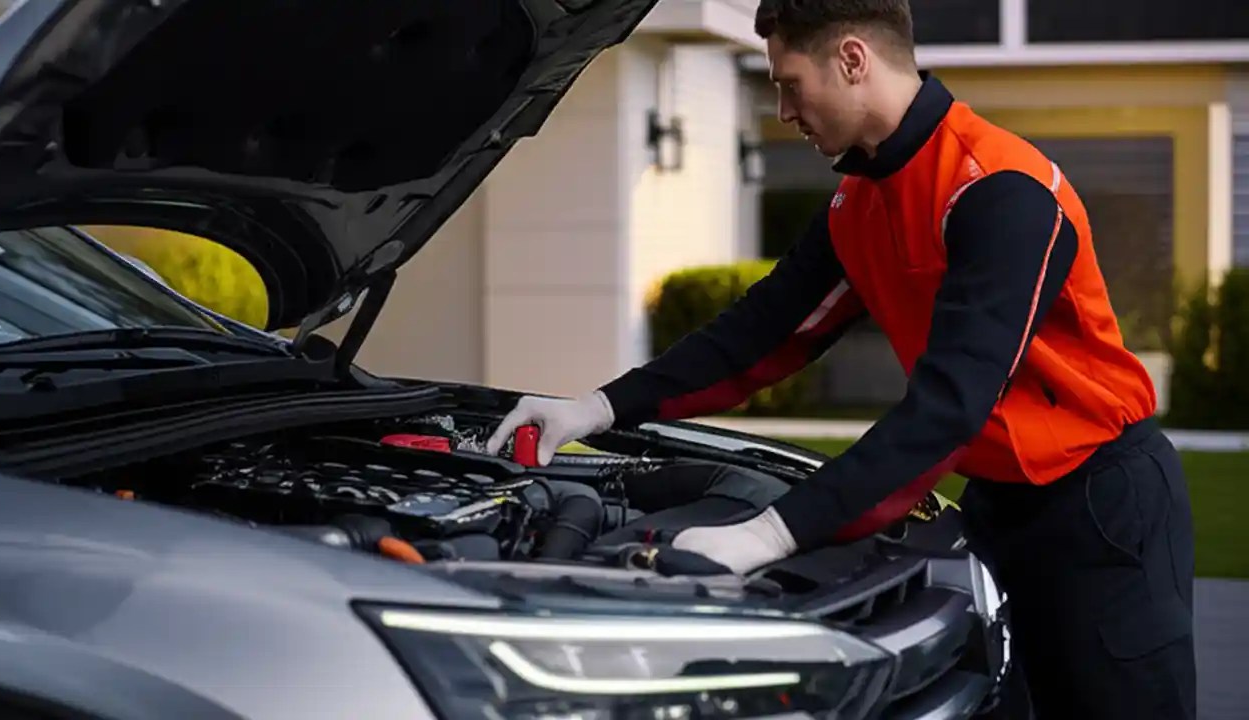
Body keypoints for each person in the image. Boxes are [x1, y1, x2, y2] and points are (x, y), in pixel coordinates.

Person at [486, 1, 1196, 717]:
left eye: (791, 83)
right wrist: (593, 407)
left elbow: (949, 407)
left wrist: (765, 535)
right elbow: (759, 333)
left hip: (1100, 509)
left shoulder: (1000, 191)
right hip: (996, 502)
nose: (785, 109)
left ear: (852, 60)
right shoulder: (859, 200)